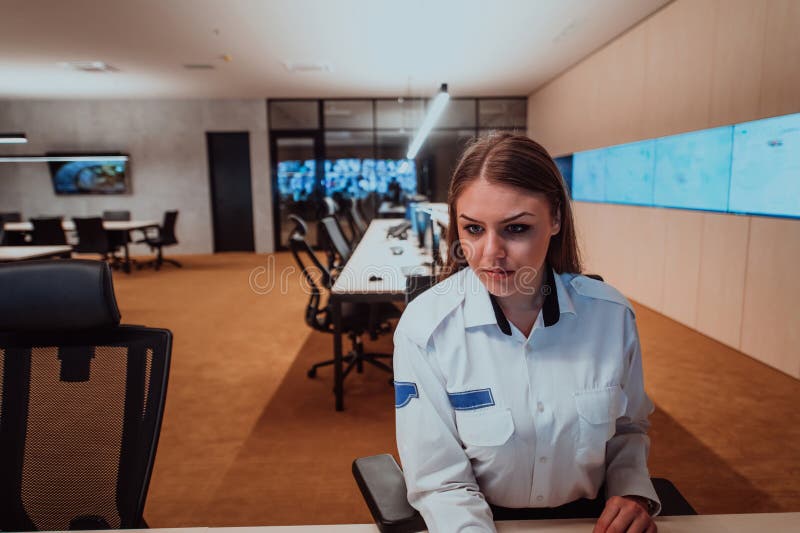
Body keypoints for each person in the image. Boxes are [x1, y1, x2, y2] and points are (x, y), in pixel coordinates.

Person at [393, 133, 660, 533]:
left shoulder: (611, 317)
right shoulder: (425, 328)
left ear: (555, 219)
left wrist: (631, 491)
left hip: (588, 522)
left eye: (516, 229)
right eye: (473, 229)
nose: (489, 254)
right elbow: (440, 482)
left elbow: (628, 428)